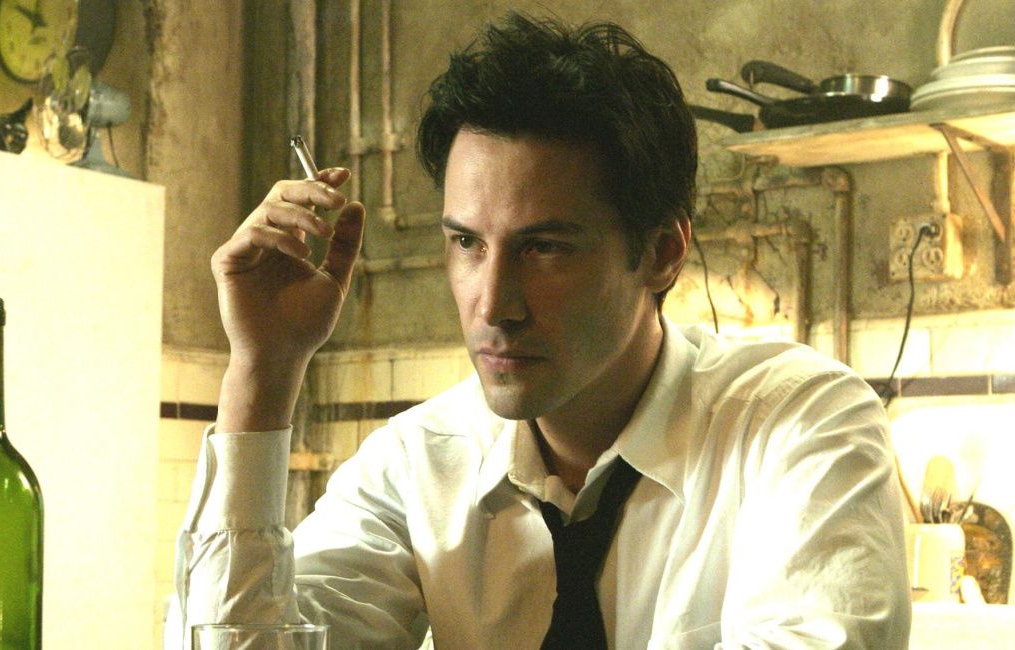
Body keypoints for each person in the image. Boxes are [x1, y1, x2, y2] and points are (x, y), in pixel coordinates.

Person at [173, 12, 911, 649]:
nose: (494, 305)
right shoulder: (420, 463)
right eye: (467, 243)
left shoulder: (801, 421)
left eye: (545, 248)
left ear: (661, 252)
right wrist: (262, 372)